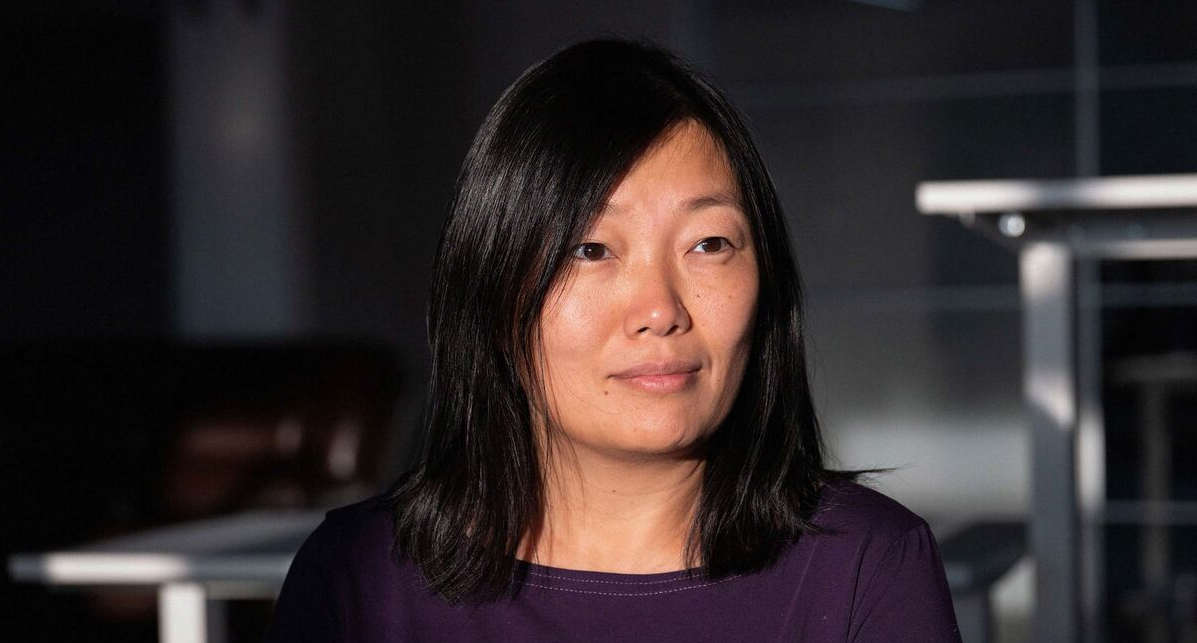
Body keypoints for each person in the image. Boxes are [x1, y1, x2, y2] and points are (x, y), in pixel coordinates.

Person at [266, 39, 962, 642]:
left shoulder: (866, 566)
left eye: (709, 244)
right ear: (492, 291)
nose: (659, 310)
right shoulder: (361, 580)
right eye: (591, 249)